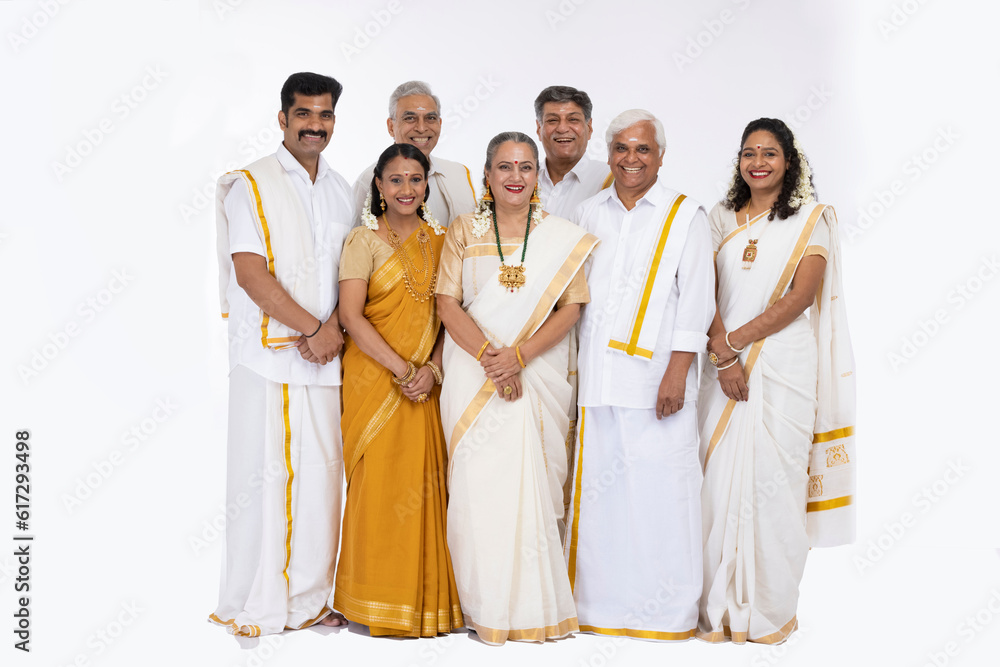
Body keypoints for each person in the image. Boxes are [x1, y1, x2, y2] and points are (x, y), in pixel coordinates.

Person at [697, 118, 856, 645]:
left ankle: (768, 611)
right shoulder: (720, 216)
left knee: (776, 482)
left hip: (783, 364)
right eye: (749, 153)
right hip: (721, 366)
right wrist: (723, 355)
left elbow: (800, 297)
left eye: (769, 153)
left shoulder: (812, 219)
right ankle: (717, 609)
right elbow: (704, 291)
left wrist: (734, 342)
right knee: (716, 482)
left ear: (790, 161)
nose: (758, 162)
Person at [436, 132, 599, 645]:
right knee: (476, 487)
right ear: (487, 174)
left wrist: (519, 358)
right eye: (504, 167)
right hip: (473, 373)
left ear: (536, 176)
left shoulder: (561, 236)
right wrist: (492, 358)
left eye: (526, 167)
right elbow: (446, 304)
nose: (515, 176)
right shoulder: (464, 230)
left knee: (535, 486)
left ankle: (532, 605)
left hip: (537, 373)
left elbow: (572, 309)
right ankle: (480, 604)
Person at [210, 72, 354, 636]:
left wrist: (331, 331)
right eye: (304, 114)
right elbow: (250, 273)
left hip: (326, 360)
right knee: (265, 482)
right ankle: (262, 600)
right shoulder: (251, 183)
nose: (315, 125)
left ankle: (309, 599)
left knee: (322, 481)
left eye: (325, 115)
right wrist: (313, 328)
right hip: (270, 360)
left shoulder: (342, 188)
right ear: (283, 118)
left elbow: (352, 274)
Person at [565, 109, 715, 641]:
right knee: (600, 498)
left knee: (663, 494)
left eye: (643, 149)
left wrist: (677, 373)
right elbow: (573, 295)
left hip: (658, 383)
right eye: (622, 148)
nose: (632, 159)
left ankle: (667, 613)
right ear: (609, 154)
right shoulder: (588, 212)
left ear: (661, 156)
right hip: (599, 379)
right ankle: (599, 607)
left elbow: (697, 299)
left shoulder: (685, 214)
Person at [332, 143, 463, 636]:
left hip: (426, 385)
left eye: (415, 179)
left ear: (427, 184)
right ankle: (372, 601)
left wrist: (433, 370)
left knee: (424, 488)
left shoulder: (445, 241)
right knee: (378, 488)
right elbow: (351, 317)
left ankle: (423, 605)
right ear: (379, 186)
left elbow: (451, 316)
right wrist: (403, 371)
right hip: (375, 381)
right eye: (396, 180)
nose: (406, 189)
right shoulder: (361, 241)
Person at [352, 81, 477, 227]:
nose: (421, 128)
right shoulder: (369, 180)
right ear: (391, 127)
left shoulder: (458, 173)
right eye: (410, 118)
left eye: (430, 118)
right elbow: (355, 238)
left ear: (440, 124)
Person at [534, 85, 612, 218]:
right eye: (552, 120)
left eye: (573, 119)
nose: (562, 128)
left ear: (589, 128)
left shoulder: (610, 179)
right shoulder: (522, 180)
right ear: (538, 129)